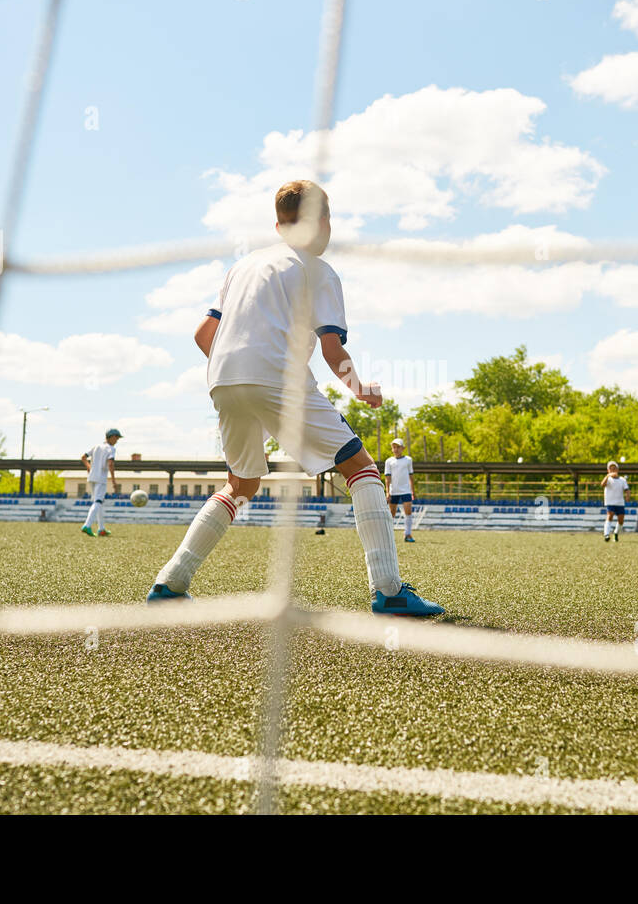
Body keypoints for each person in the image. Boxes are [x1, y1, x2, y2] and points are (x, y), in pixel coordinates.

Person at [145, 180, 445, 616]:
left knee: (241, 485)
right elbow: (331, 349)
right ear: (320, 222)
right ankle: (389, 590)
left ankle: (171, 582)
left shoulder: (244, 265)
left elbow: (203, 334)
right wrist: (361, 389)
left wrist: (244, 371)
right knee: (360, 468)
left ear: (278, 224)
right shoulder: (318, 270)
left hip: (223, 378)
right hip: (276, 378)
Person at [80, 428, 121, 537]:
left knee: (98, 502)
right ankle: (87, 525)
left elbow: (83, 457)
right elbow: (111, 464)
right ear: (111, 437)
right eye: (116, 437)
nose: (117, 440)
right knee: (98, 502)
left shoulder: (96, 446)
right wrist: (113, 481)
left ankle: (101, 528)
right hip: (101, 478)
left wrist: (89, 467)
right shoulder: (111, 449)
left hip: (92, 477)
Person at [384, 437, 416, 542]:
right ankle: (388, 535)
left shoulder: (408, 460)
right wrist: (388, 492)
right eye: (394, 447)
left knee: (408, 512)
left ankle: (407, 534)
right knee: (391, 514)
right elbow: (387, 478)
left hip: (406, 491)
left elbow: (411, 476)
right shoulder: (389, 461)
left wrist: (412, 491)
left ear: (403, 448)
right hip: (394, 491)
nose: (395, 449)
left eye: (398, 447)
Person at [601, 461, 629, 542]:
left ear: (617, 469)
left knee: (621, 520)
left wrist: (627, 496)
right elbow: (602, 484)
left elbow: (627, 489)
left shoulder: (622, 480)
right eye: (611, 468)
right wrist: (607, 476)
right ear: (608, 470)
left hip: (620, 502)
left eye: (614, 468)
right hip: (610, 502)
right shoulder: (608, 479)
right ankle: (606, 534)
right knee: (610, 516)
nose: (613, 470)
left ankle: (616, 533)